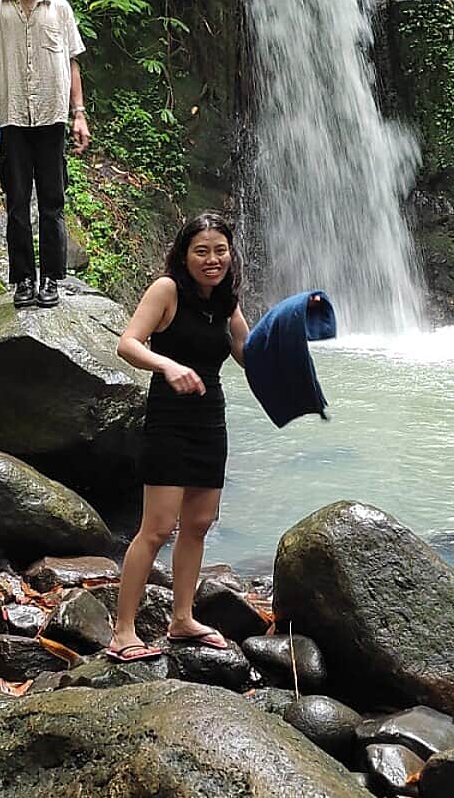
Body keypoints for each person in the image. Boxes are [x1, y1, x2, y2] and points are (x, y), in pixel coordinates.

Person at [107, 213, 251, 662]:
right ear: (184, 255)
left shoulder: (226, 300)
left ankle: (182, 618)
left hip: (211, 418)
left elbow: (248, 355)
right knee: (156, 528)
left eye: (220, 250)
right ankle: (123, 632)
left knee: (199, 523)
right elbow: (128, 343)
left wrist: (292, 334)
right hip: (169, 419)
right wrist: (166, 365)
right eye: (202, 251)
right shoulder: (166, 290)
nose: (212, 259)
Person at [0, 0, 91, 310]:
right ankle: (24, 279)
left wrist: (79, 113)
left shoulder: (59, 7)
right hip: (12, 117)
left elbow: (72, 63)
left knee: (53, 202)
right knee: (17, 202)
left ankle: (51, 278)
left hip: (52, 115)